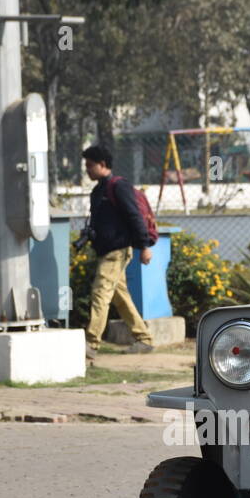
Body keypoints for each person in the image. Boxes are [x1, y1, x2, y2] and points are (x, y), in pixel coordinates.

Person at [80, 144, 155, 359]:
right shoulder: (98, 190)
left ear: (102, 165)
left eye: (90, 165)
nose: (87, 170)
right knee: (120, 297)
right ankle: (144, 339)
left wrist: (144, 246)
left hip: (117, 251)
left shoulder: (118, 186)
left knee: (100, 293)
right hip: (106, 251)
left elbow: (135, 217)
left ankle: (91, 344)